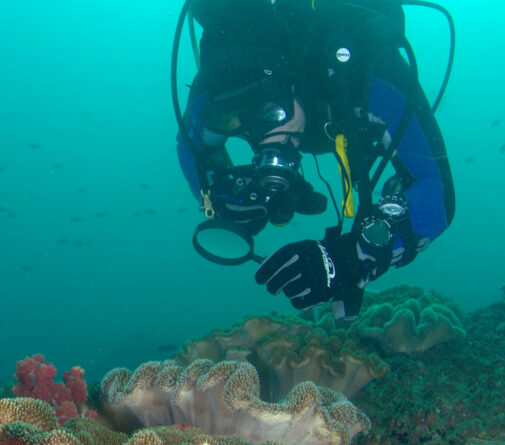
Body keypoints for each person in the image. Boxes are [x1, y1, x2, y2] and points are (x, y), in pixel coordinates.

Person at [176, 0, 454, 319]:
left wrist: (352, 257)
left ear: (292, 82)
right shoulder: (217, 81)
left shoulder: (371, 69)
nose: (259, 138)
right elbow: (190, 145)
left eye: (270, 113)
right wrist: (216, 196)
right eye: (238, 121)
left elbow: (439, 192)